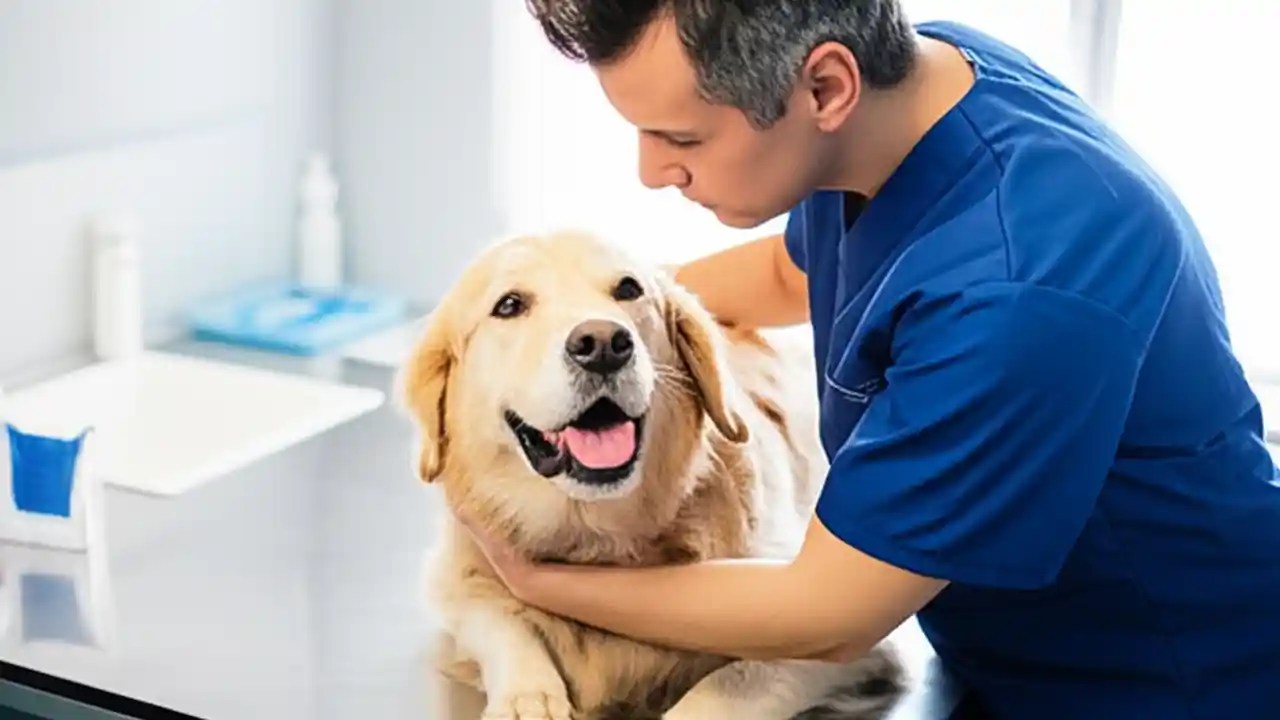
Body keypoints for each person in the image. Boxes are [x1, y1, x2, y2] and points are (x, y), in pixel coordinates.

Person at [460, 1, 1280, 717]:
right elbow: (790, 271)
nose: (651, 171)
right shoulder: (925, 88)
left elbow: (829, 616)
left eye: (681, 136)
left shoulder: (1018, 288)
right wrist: (588, 325)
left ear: (824, 88)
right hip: (1009, 660)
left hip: (1163, 688)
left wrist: (536, 584)